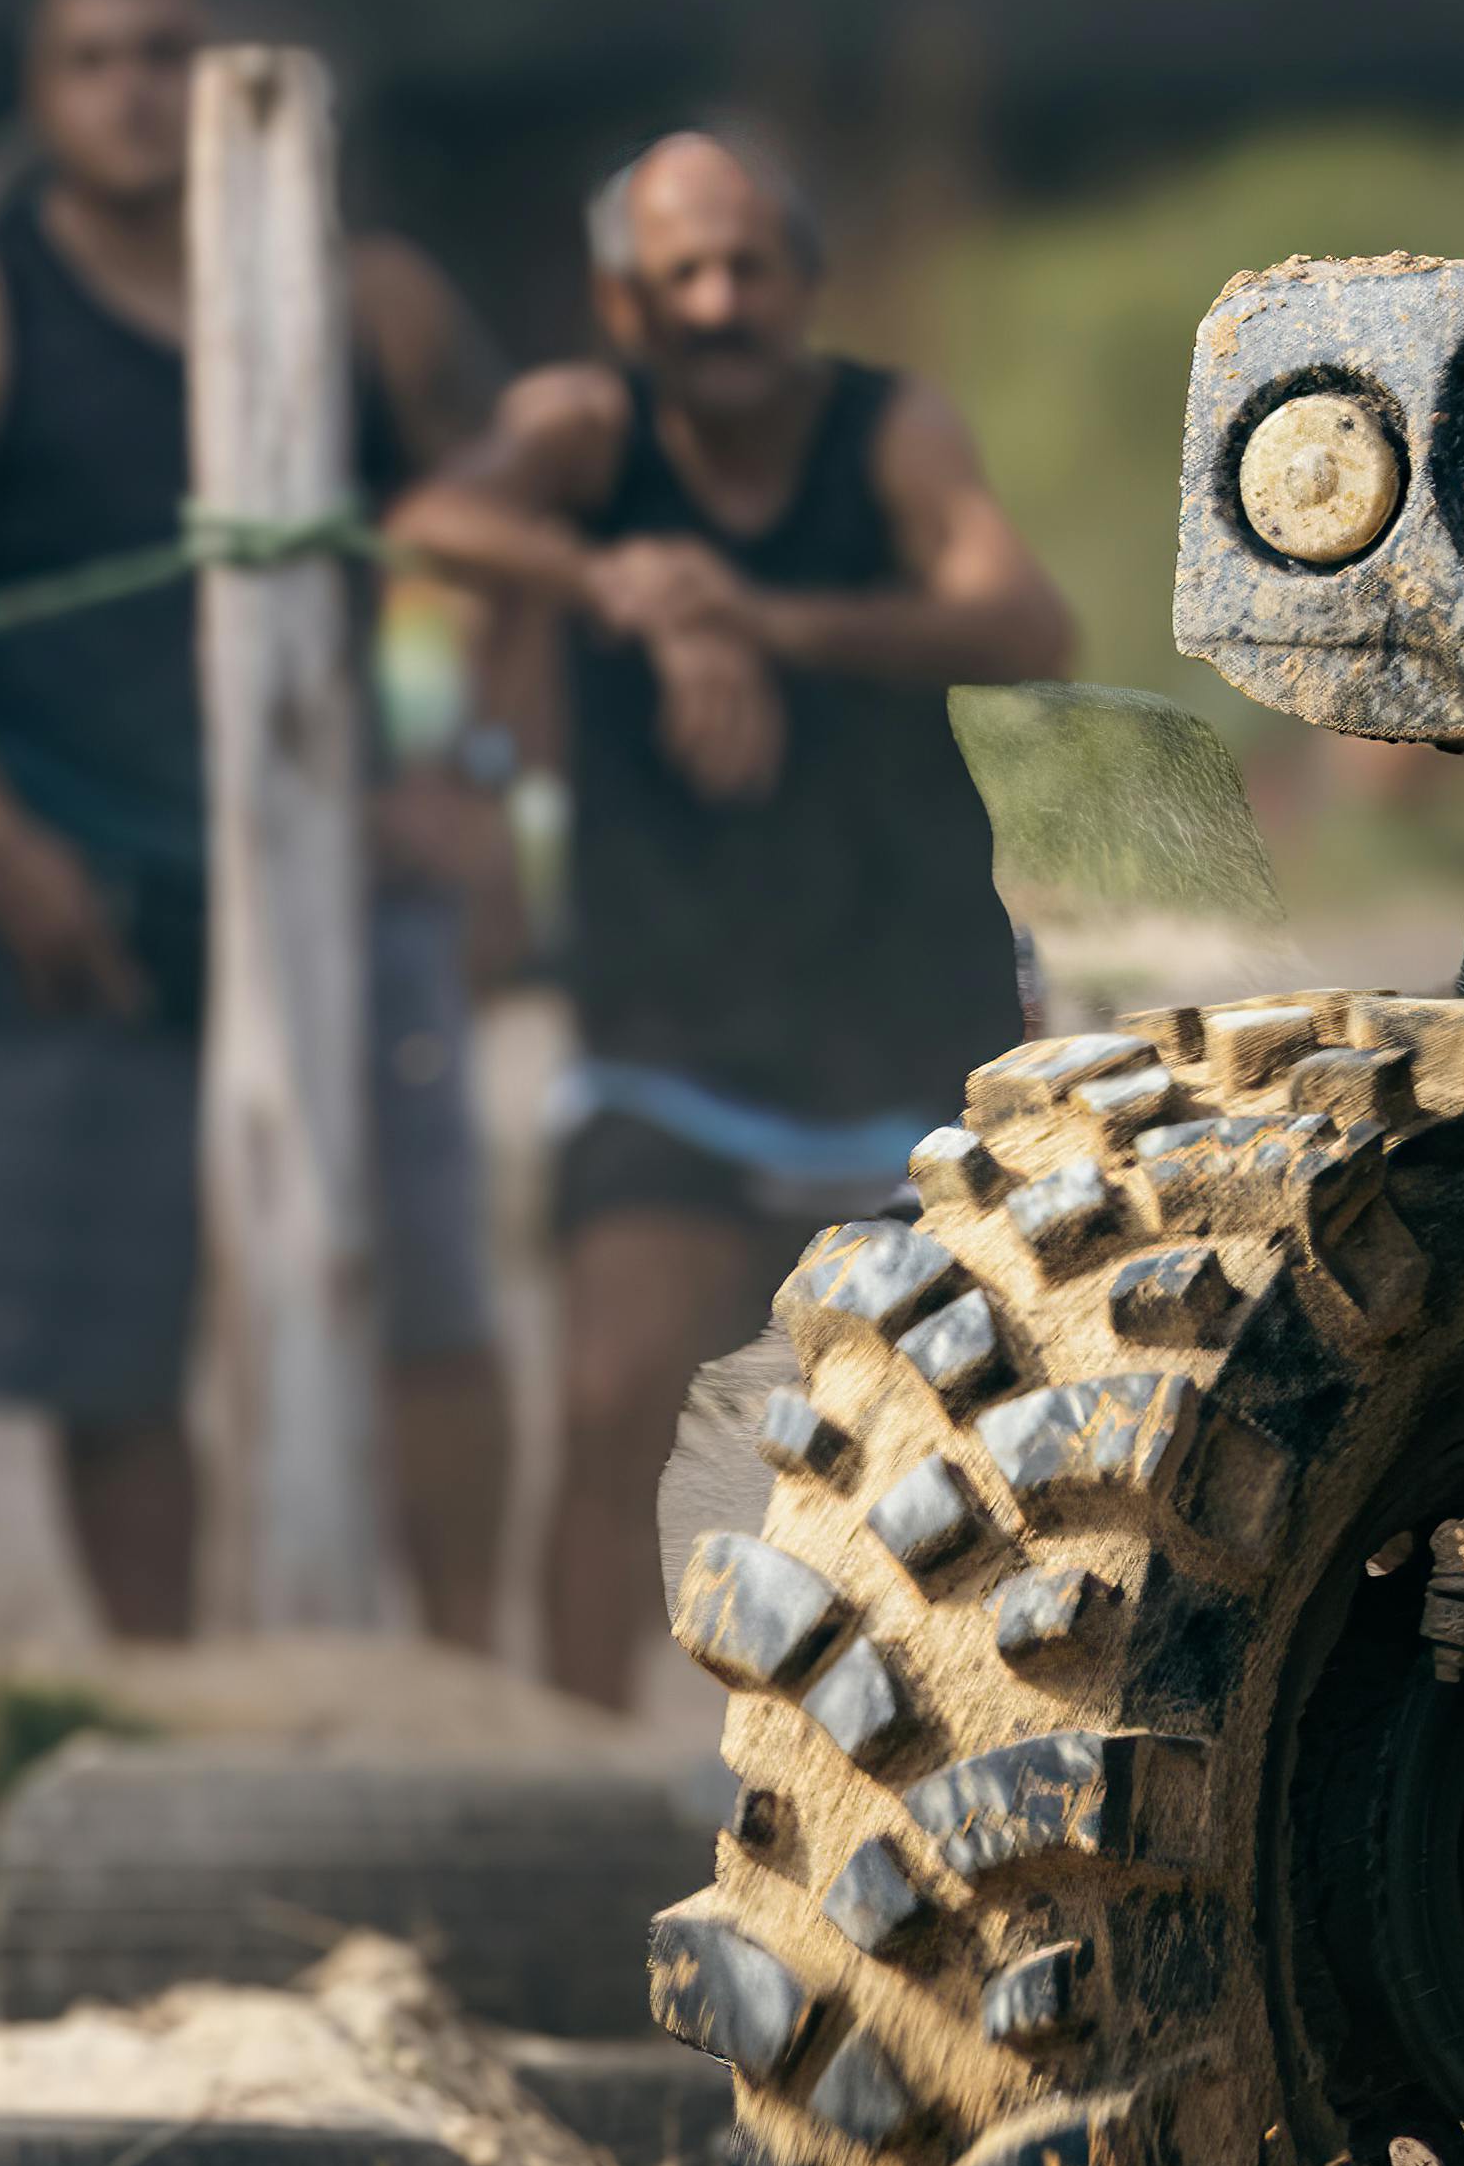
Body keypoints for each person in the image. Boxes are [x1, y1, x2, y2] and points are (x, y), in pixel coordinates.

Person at [0, 0, 515, 1642]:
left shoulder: (372, 302)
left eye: (167, 52)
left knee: (432, 1305)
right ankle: (173, 1689)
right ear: (40, 95)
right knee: (107, 1354)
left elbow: (498, 541)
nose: (135, 90)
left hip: (348, 880)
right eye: (92, 59)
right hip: (79, 899)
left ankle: (466, 1682)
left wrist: (460, 766)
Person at [390, 130, 1075, 1706]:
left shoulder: (890, 431)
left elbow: (1021, 618)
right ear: (622, 303)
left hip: (903, 1023)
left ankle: (948, 1756)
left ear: (805, 283)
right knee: (611, 1397)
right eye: (681, 273)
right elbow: (437, 524)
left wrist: (752, 617)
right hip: (671, 1035)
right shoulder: (582, 434)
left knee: (943, 1459)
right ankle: (571, 1757)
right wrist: (619, 585)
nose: (717, 302)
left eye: (747, 267)